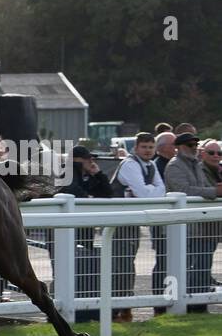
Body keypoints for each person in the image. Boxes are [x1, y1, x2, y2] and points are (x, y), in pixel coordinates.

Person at [163, 131, 220, 309]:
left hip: (200, 227)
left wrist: (213, 190)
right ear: (179, 147)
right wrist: (214, 192)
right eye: (190, 145)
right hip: (183, 227)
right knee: (185, 269)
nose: (194, 148)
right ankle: (179, 306)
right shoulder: (174, 166)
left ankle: (199, 306)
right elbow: (184, 190)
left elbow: (201, 188)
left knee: (202, 268)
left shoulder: (195, 164)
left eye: (195, 145)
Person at [112, 132, 164, 320]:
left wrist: (150, 191)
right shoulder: (130, 164)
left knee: (128, 264)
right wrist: (151, 190)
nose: (148, 151)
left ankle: (125, 306)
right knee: (121, 264)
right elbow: (144, 194)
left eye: (151, 147)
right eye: (144, 147)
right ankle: (118, 307)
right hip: (118, 221)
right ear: (136, 148)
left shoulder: (151, 165)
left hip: (132, 221)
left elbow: (162, 189)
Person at [68, 146, 114, 322]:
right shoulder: (68, 175)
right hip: (69, 233)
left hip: (82, 231)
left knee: (83, 270)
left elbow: (107, 193)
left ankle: (83, 311)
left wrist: (98, 174)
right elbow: (76, 194)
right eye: (87, 159)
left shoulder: (83, 176)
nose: (91, 162)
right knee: (71, 270)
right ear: (76, 160)